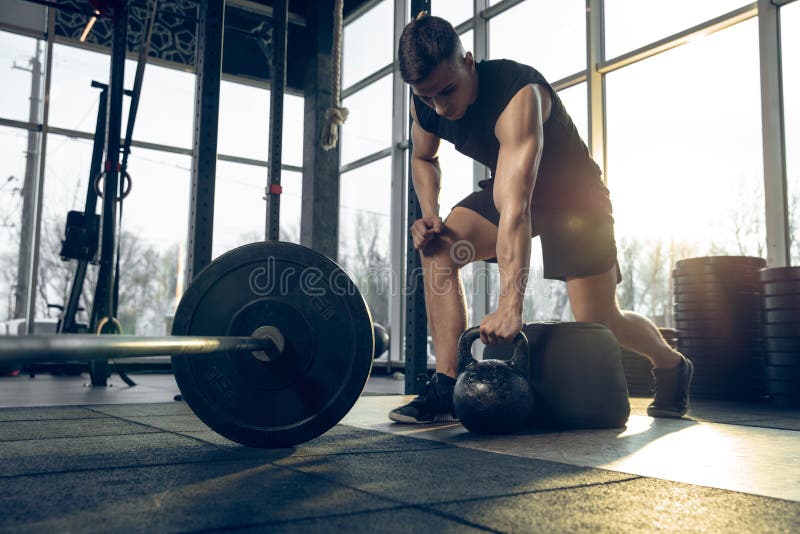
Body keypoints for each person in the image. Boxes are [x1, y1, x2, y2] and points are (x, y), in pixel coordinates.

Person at [388, 13, 693, 425]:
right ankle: (446, 384)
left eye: (447, 91)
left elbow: (516, 208)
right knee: (437, 247)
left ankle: (671, 363)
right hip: (510, 187)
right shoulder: (427, 99)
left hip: (577, 204)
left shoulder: (518, 96)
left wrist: (509, 306)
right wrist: (430, 216)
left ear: (469, 62)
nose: (442, 107)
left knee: (600, 321)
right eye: (428, 99)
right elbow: (424, 158)